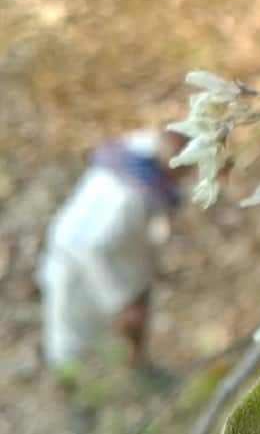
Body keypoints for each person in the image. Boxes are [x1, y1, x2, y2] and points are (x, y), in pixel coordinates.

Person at [38, 129, 189, 375]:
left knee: (136, 312)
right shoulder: (126, 197)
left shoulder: (140, 155)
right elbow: (93, 247)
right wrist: (119, 300)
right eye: (184, 169)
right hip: (77, 263)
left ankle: (138, 368)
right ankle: (75, 390)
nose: (186, 176)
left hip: (122, 258)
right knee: (70, 334)